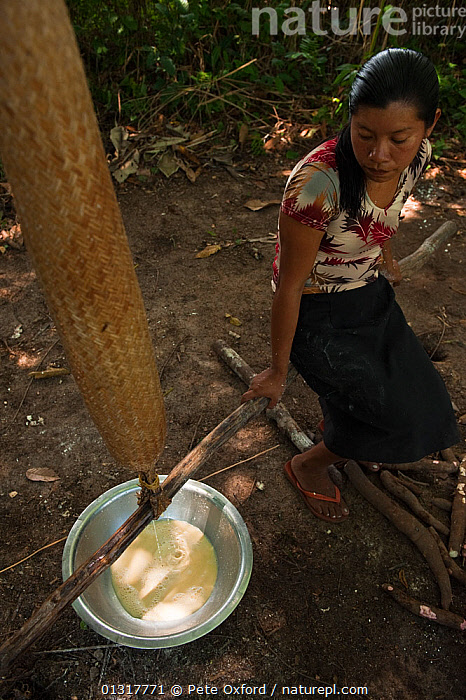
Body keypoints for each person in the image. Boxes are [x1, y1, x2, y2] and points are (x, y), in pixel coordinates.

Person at [241, 48, 459, 523]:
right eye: (364, 135)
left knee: (427, 408)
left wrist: (383, 253)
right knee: (395, 417)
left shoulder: (418, 156)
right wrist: (277, 371)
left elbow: (383, 215)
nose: (380, 156)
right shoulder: (318, 186)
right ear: (351, 120)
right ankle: (308, 464)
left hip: (368, 291)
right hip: (317, 314)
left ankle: (344, 423)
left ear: (429, 125)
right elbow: (290, 286)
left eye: (398, 138)